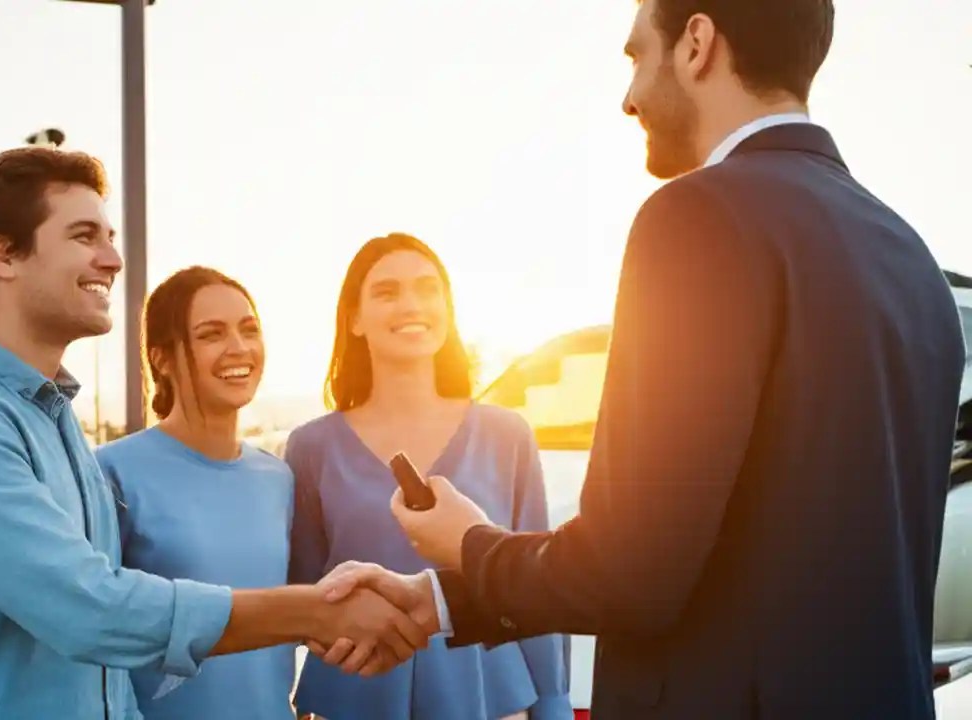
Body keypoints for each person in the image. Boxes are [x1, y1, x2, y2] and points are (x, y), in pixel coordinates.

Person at [326, 1, 968, 718]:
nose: (628, 98)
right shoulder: (912, 259)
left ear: (697, 43)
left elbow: (631, 570)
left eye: (636, 57)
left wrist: (468, 544)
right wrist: (446, 600)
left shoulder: (694, 216)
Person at [0, 147, 433, 720]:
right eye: (85, 236)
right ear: (2, 254)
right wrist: (317, 611)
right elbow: (91, 610)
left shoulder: (54, 421)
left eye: (110, 237)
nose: (112, 259)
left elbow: (107, 683)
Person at [286, 233, 572, 719]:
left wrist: (553, 705)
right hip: (357, 701)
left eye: (427, 288)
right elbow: (306, 601)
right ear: (353, 318)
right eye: (387, 291)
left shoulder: (508, 435)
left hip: (492, 701)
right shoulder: (311, 447)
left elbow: (539, 588)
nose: (411, 303)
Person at [94, 266, 299, 719]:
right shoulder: (110, 472)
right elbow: (95, 627)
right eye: (211, 334)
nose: (239, 348)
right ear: (162, 358)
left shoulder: (278, 478)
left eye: (249, 329)